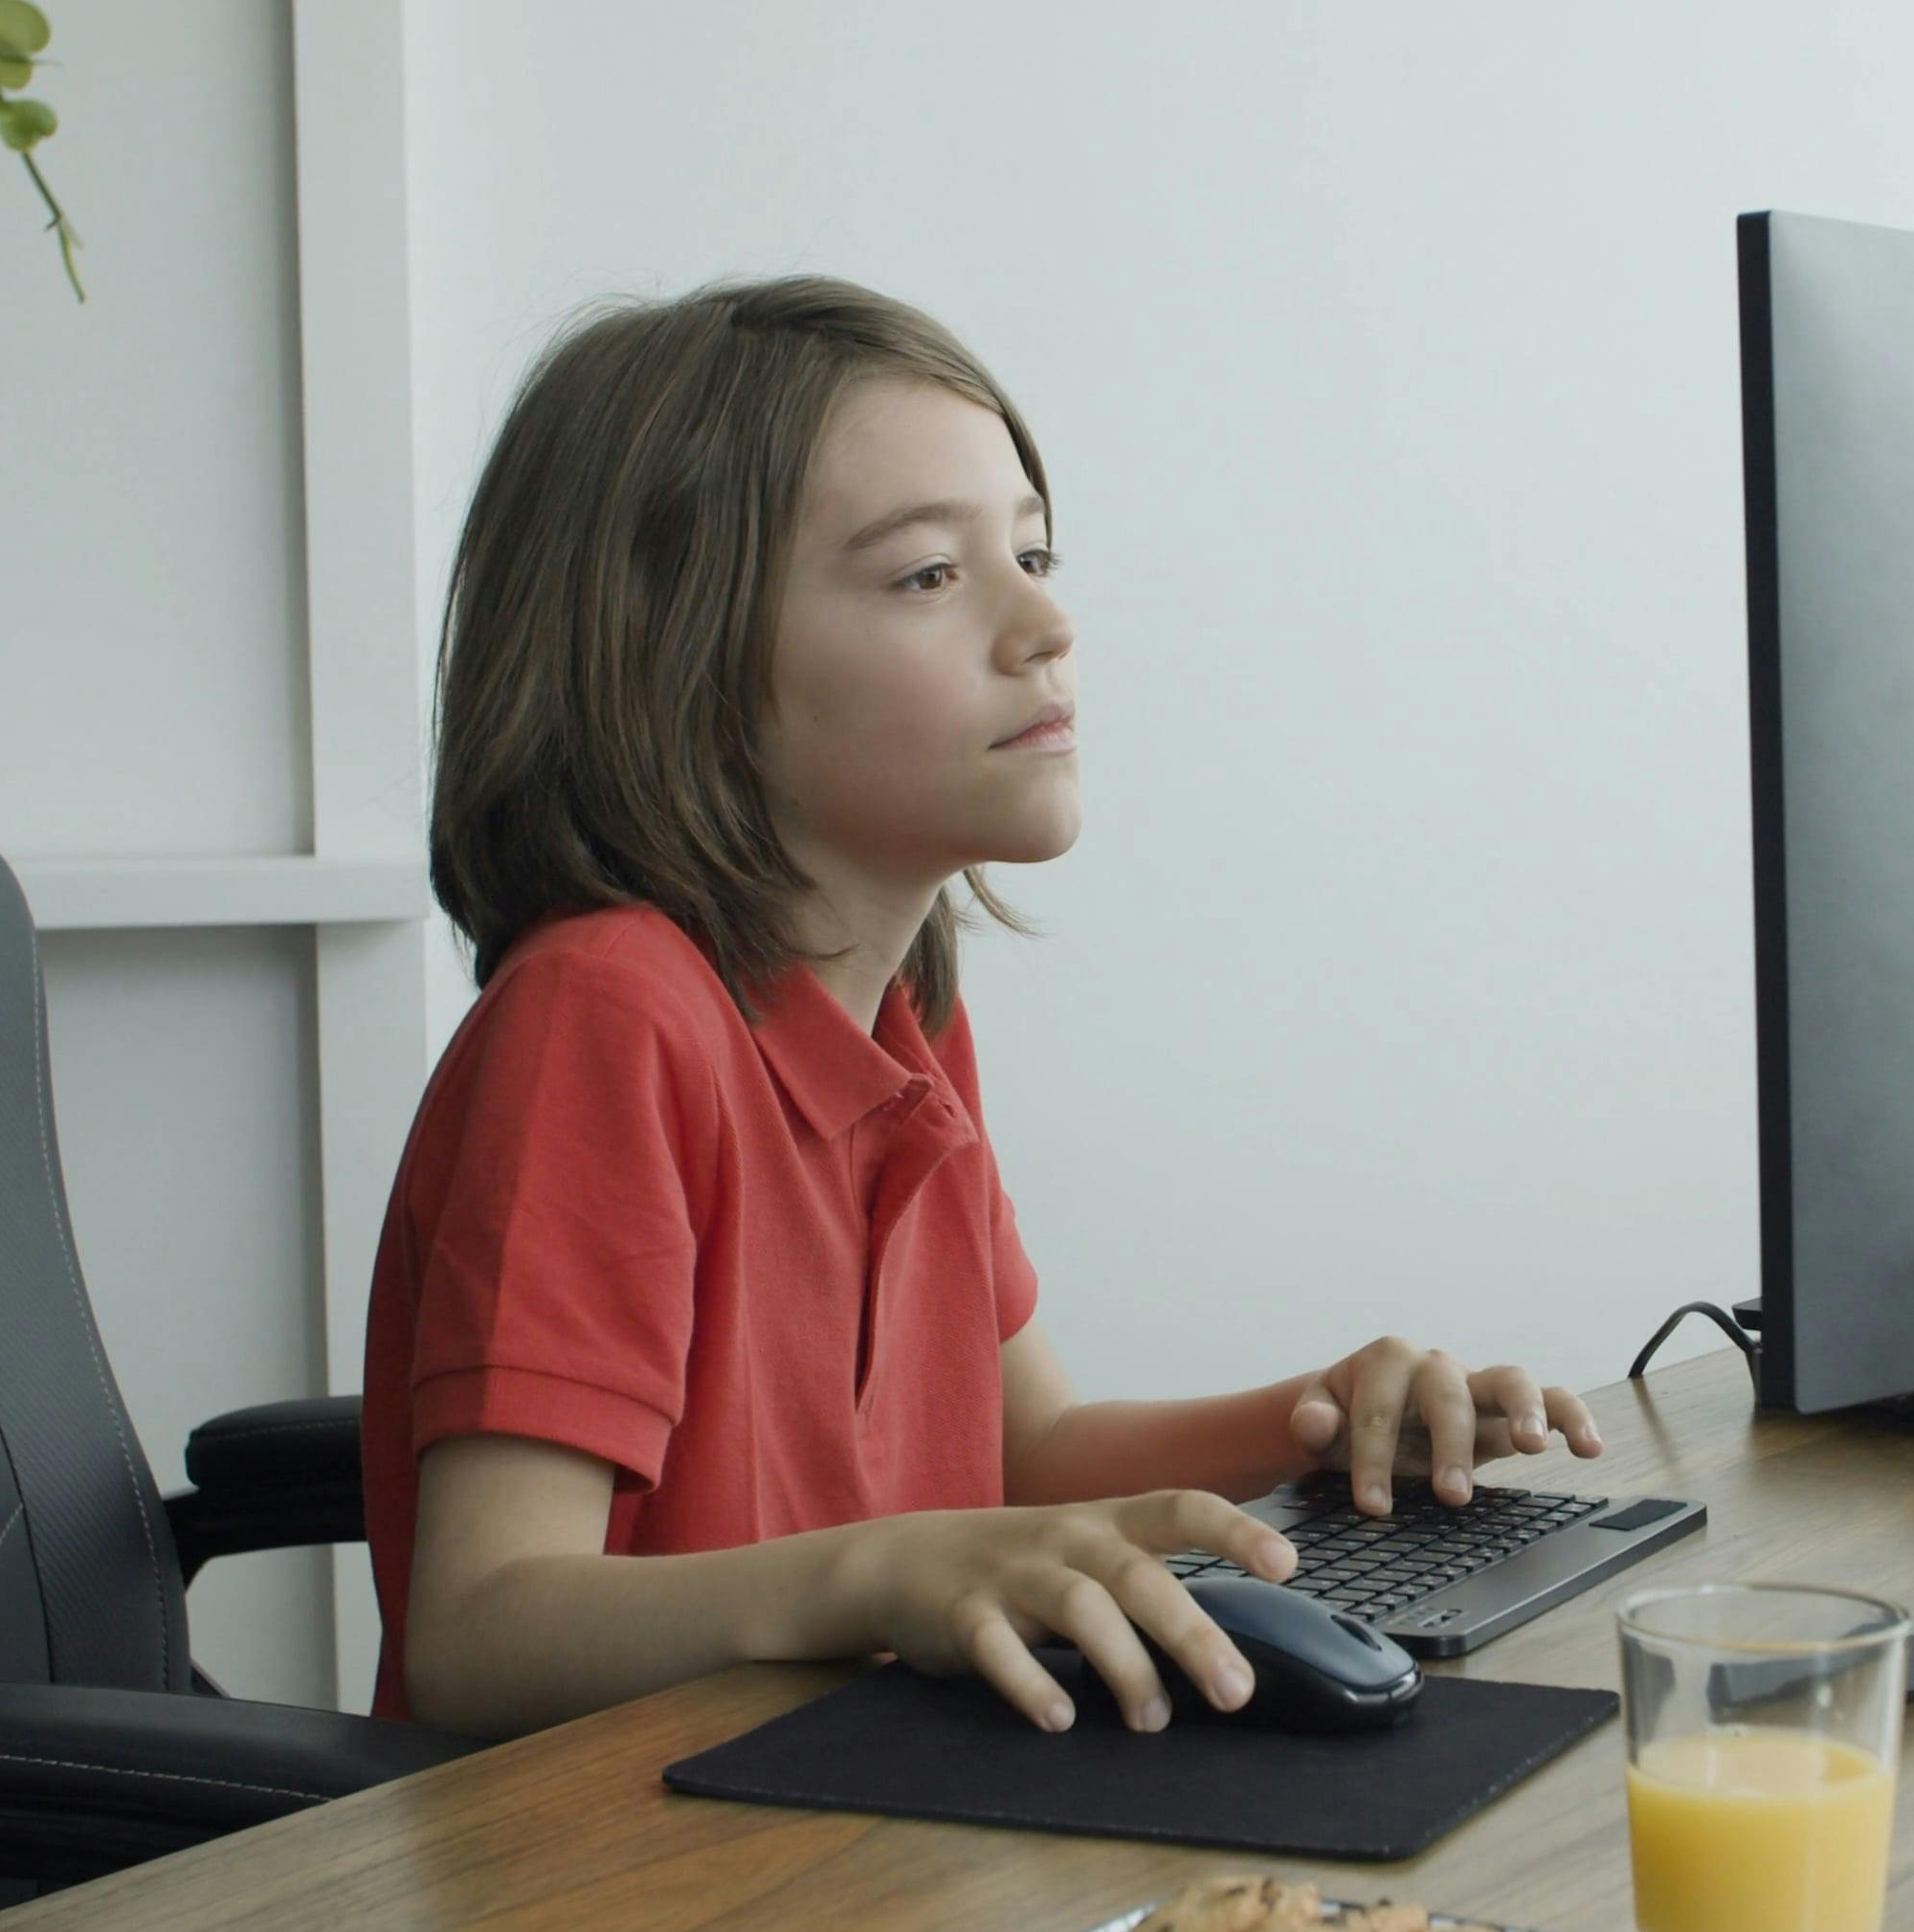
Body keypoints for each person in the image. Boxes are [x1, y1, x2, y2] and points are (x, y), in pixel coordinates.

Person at [361, 277, 1603, 1741]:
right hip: (632, 1860)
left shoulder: (905, 1025)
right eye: (929, 576)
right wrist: (877, 1574)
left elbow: (1029, 1454)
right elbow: (481, 1630)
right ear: (678, 664)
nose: (1046, 623)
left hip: (857, 1817)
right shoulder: (605, 1016)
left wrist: (1320, 1428)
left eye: (1032, 551)